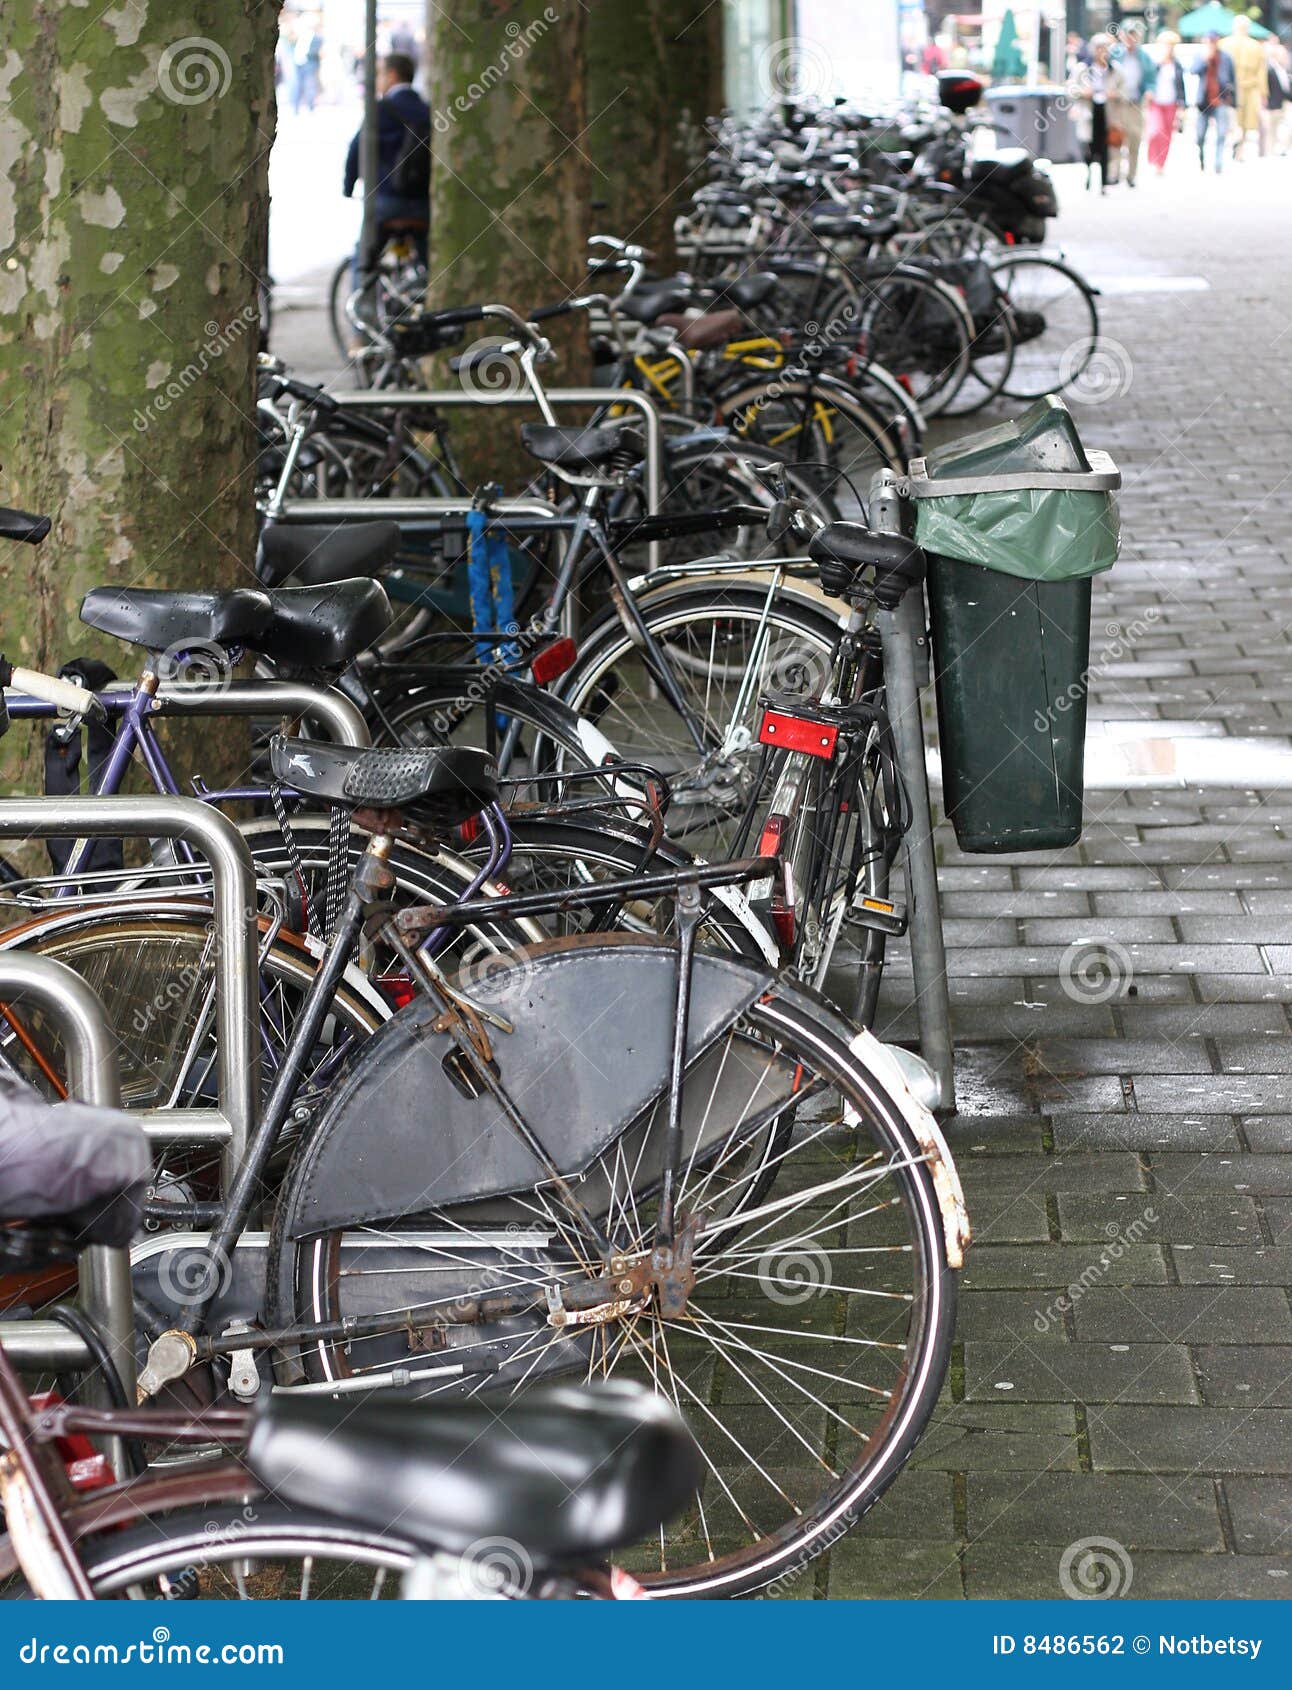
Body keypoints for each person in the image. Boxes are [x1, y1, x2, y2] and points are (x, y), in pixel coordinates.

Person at [343, 52, 431, 297]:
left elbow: (356, 150)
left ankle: (361, 321)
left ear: (392, 75)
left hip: (387, 203)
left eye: (381, 73)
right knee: (430, 262)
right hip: (423, 205)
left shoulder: (381, 110)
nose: (378, 79)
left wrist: (348, 187)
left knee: (363, 260)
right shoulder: (426, 109)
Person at [1069, 33, 1124, 193]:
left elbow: (1124, 90)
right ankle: (1088, 174)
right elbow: (1071, 88)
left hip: (1107, 113)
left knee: (1106, 148)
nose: (1102, 52)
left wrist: (1115, 94)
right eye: (1099, 48)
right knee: (1088, 148)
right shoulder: (1083, 68)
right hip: (1089, 112)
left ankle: (1103, 182)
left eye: (1105, 48)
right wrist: (1083, 92)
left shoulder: (1115, 70)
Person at [1111, 23, 1154, 186]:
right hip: (1117, 103)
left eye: (1133, 35)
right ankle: (1114, 172)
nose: (1130, 38)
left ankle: (1131, 174)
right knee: (1116, 139)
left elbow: (1151, 78)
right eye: (1128, 34)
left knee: (1134, 139)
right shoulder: (1114, 53)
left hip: (1135, 102)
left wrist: (1150, 91)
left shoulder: (1143, 56)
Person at [1146, 31, 1186, 175]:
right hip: (1156, 102)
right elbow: (1148, 81)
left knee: (1166, 135)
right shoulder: (1154, 63)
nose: (1168, 48)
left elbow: (1181, 87)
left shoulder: (1177, 65)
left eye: (1170, 46)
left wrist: (1182, 106)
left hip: (1171, 103)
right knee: (1155, 132)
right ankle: (1152, 158)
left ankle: (1161, 164)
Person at [1228, 15, 1267, 160]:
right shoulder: (1255, 46)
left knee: (1234, 120)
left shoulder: (1225, 43)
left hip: (1231, 89)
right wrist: (1263, 94)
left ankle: (1236, 145)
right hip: (1248, 89)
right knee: (1243, 122)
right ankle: (1239, 149)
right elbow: (1261, 72)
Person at [1196, 31, 1236, 173]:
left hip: (1221, 100)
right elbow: (1193, 70)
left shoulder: (1225, 57)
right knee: (1200, 135)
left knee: (1221, 133)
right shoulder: (1201, 56)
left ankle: (1218, 163)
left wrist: (1234, 102)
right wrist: (1205, 60)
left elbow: (1232, 78)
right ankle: (1201, 158)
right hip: (1203, 101)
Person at [1267, 40, 1291, 156]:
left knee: (1287, 126)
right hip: (1274, 104)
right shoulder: (1270, 68)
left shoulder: (1284, 69)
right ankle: (1272, 151)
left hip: (1286, 102)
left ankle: (1283, 147)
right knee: (1272, 129)